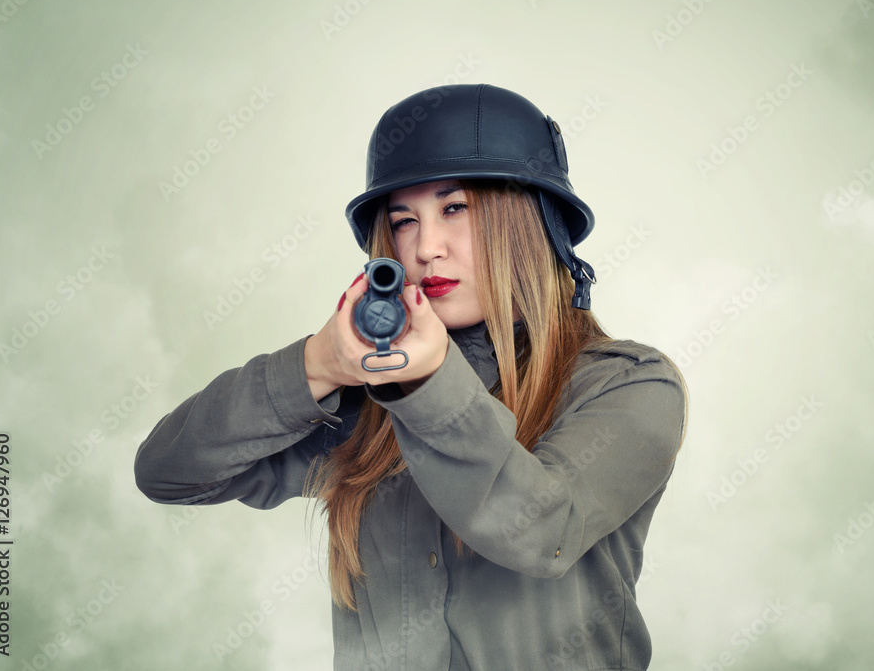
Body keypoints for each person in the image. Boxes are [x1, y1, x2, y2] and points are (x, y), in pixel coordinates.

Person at [134, 83, 688, 670]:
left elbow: (539, 530)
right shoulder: (365, 404)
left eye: (455, 209)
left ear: (531, 221)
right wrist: (319, 363)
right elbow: (169, 472)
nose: (426, 248)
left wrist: (427, 387)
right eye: (403, 221)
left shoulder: (631, 386)